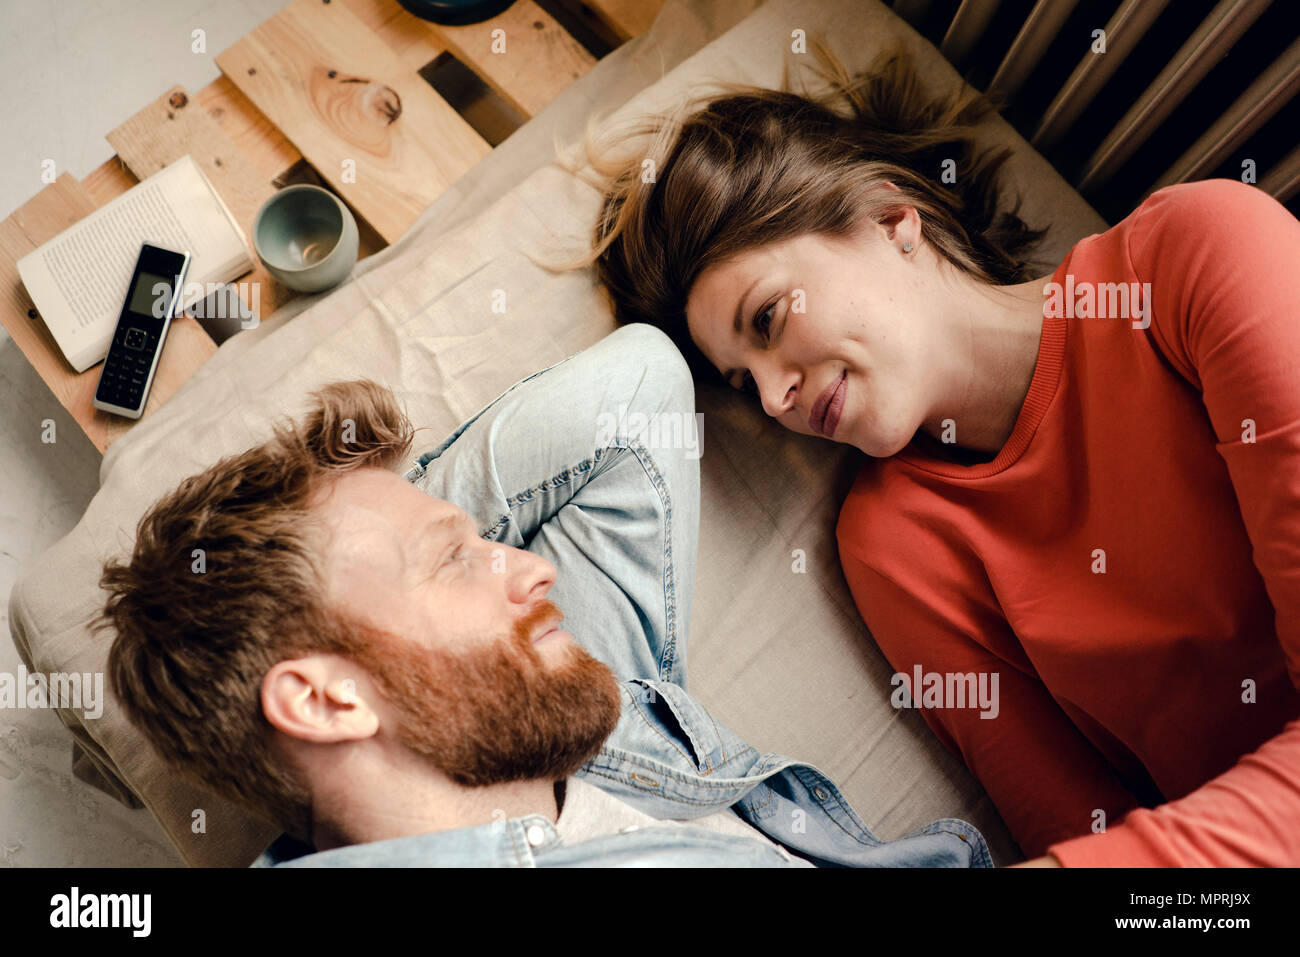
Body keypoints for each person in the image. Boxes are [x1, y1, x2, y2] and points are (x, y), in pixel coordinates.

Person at [579, 45, 1300, 866]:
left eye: (769, 318)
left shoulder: (1192, 255)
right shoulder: (894, 544)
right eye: (745, 382)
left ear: (891, 221)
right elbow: (1078, 827)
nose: (775, 399)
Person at [96, 322, 991, 867]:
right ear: (324, 699)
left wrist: (370, 529)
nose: (534, 568)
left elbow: (636, 387)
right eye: (457, 561)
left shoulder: (546, 719)